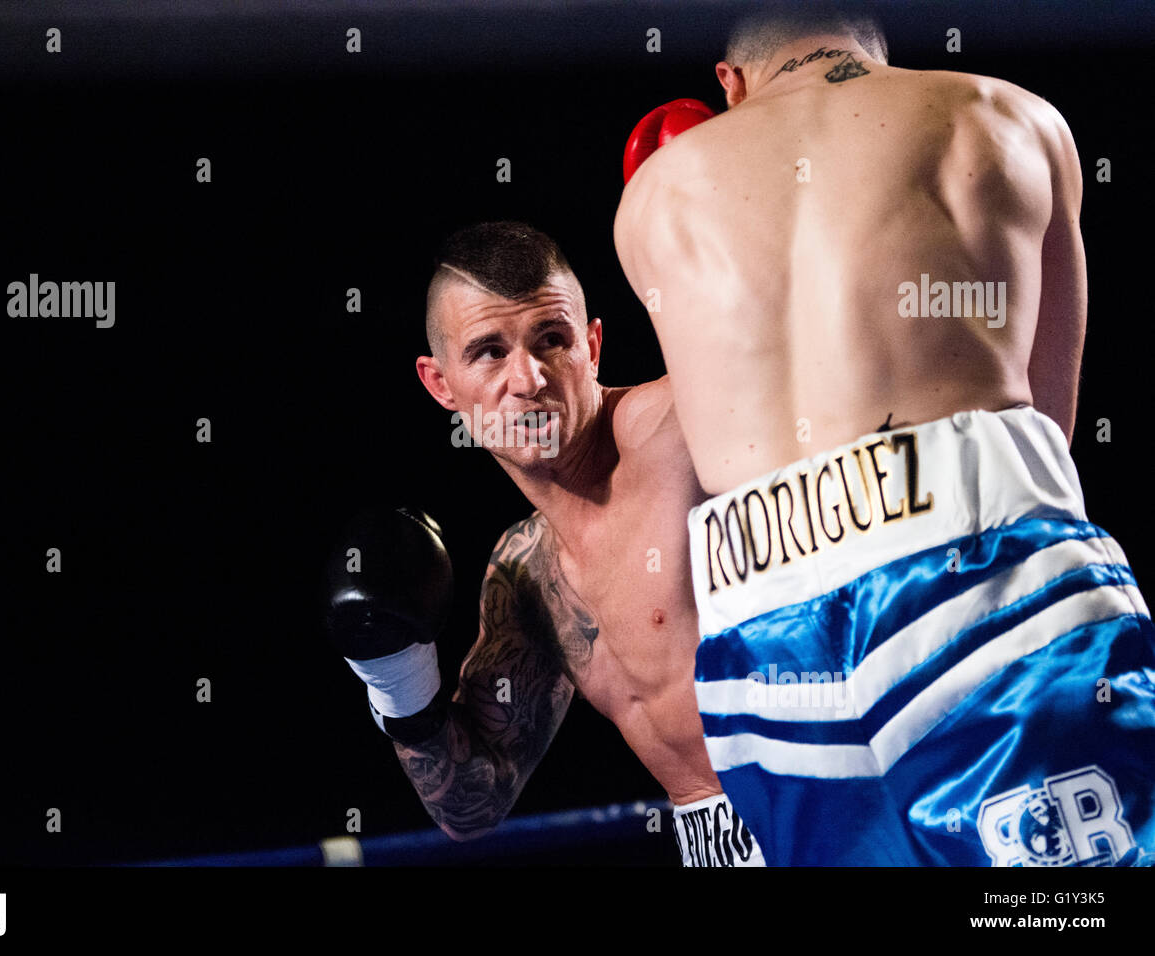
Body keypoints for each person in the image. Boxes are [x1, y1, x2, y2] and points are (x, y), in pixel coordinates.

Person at [613, 6, 1155, 865]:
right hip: (978, 578)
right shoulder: (1008, 115)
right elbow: (1049, 424)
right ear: (878, 39)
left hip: (765, 654)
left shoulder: (653, 199)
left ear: (729, 80)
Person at [326, 222, 763, 866]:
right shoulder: (526, 572)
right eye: (488, 352)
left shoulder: (682, 433)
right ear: (440, 384)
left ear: (591, 346)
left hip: (852, 803)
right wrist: (395, 676)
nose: (527, 378)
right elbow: (472, 804)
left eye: (551, 340)